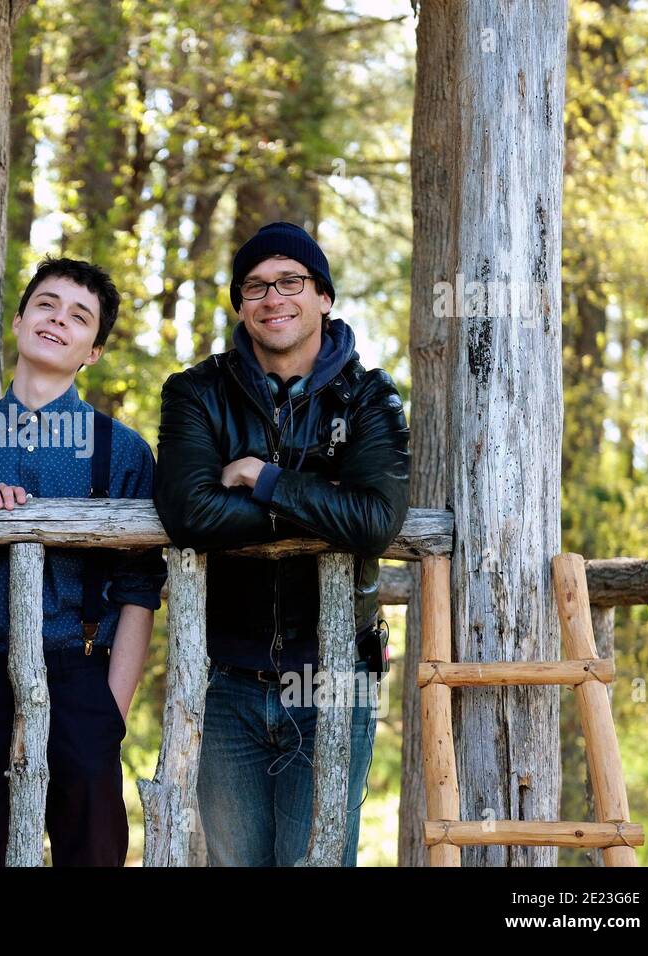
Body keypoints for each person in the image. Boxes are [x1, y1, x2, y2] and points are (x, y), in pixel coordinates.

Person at [153, 221, 410, 866]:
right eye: (256, 286)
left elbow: (375, 519)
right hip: (224, 675)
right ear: (241, 304)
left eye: (291, 281)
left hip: (334, 677)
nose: (274, 298)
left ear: (323, 296)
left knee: (315, 861)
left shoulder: (371, 398)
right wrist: (316, 499)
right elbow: (188, 514)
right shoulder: (195, 392)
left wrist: (261, 479)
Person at [0, 256, 167, 866]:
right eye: (47, 305)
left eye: (80, 317)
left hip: (80, 676)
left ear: (93, 351)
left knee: (92, 855)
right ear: (20, 318)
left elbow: (139, 591)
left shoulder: (124, 453)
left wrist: (111, 709)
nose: (59, 320)